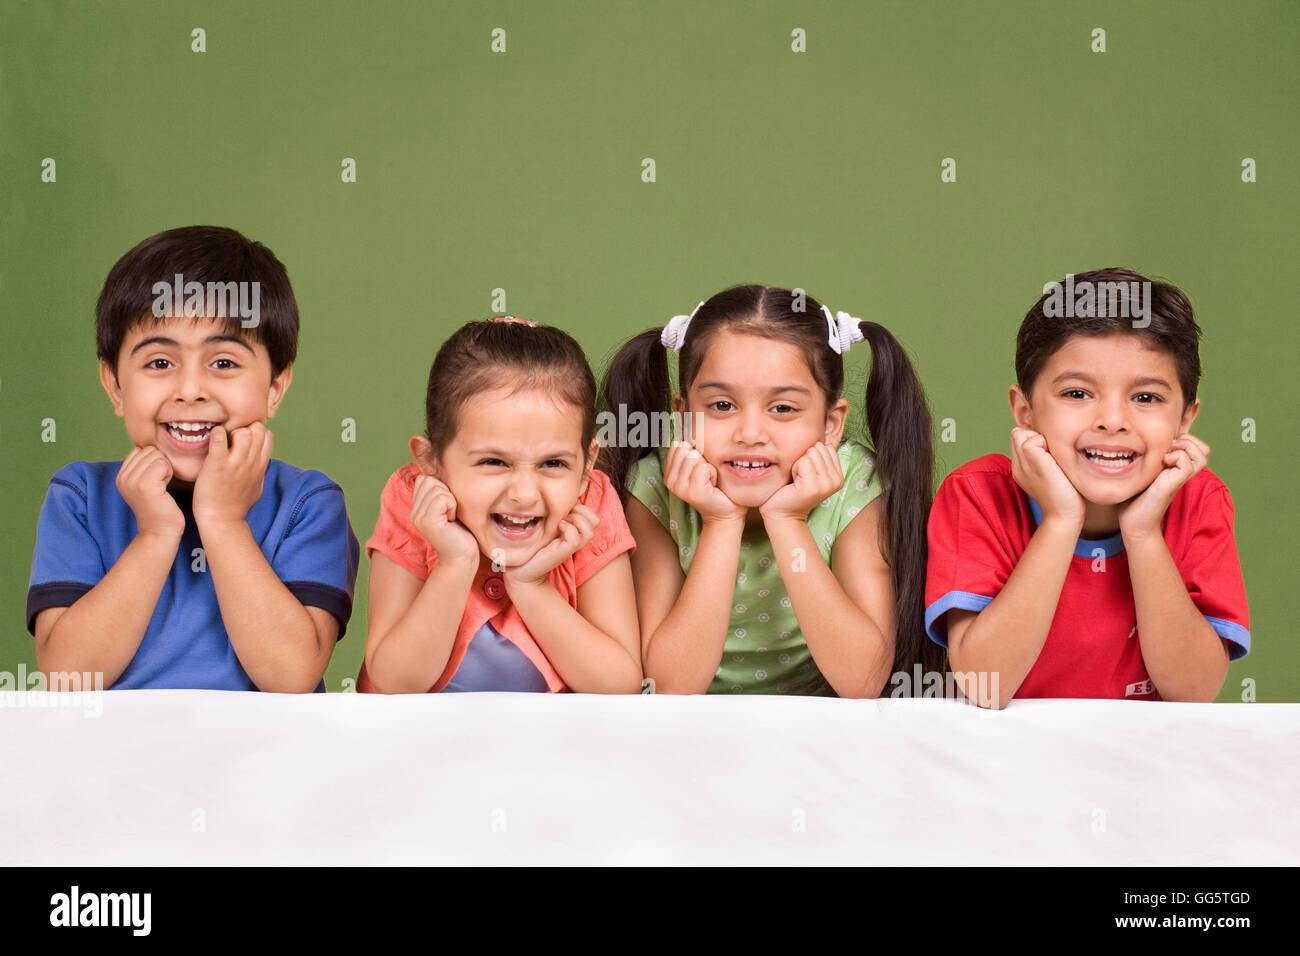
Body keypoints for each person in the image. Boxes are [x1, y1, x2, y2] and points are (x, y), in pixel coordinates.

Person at [28, 225, 359, 691]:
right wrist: (155, 534)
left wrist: (224, 521)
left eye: (224, 362)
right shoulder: (80, 497)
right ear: (115, 387)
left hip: (266, 760)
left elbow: (292, 677)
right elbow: (68, 679)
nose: (189, 391)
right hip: (117, 760)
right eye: (159, 363)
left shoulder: (308, 503)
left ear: (275, 389)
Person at [926, 267, 1249, 707]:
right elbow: (987, 685)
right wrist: (1061, 521)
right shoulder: (977, 494)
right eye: (1077, 394)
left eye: (1146, 397)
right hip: (1005, 762)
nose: (1112, 420)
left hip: (1139, 764)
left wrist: (1142, 533)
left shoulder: (1199, 499)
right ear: (1025, 411)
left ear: (1185, 419)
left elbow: (1192, 692)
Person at [601, 285, 939, 696]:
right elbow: (668, 686)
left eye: (783, 408)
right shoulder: (654, 488)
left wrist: (787, 520)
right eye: (722, 405)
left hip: (817, 735)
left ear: (831, 425)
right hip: (691, 732)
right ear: (683, 415)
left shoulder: (857, 484)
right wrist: (721, 522)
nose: (750, 434)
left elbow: (863, 680)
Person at [359, 317, 641, 694]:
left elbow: (617, 685)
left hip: (554, 747)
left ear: (588, 464)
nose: (524, 494)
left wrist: (531, 585)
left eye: (553, 464)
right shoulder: (412, 500)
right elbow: (395, 684)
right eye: (493, 462)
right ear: (431, 462)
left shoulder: (592, 503)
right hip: (425, 747)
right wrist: (454, 564)